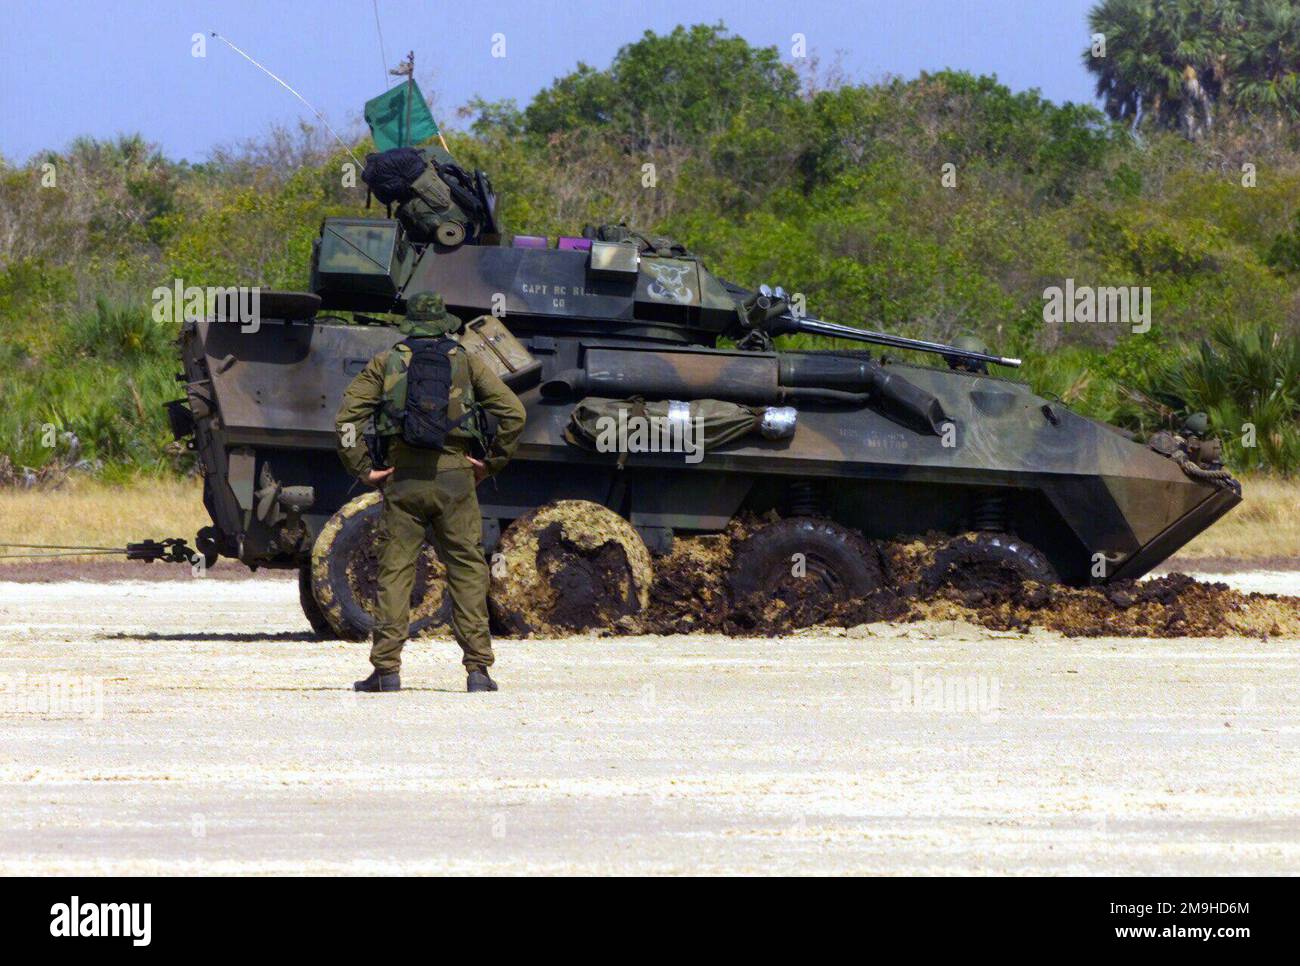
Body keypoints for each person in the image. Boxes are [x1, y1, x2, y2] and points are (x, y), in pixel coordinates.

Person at [334, 291, 526, 693]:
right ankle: (478, 672)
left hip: (402, 478)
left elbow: (347, 418)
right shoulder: (468, 360)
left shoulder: (385, 362)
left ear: (409, 325)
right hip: (456, 478)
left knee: (396, 572)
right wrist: (490, 463)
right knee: (467, 570)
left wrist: (364, 468)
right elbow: (513, 414)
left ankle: (386, 670)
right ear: (444, 323)